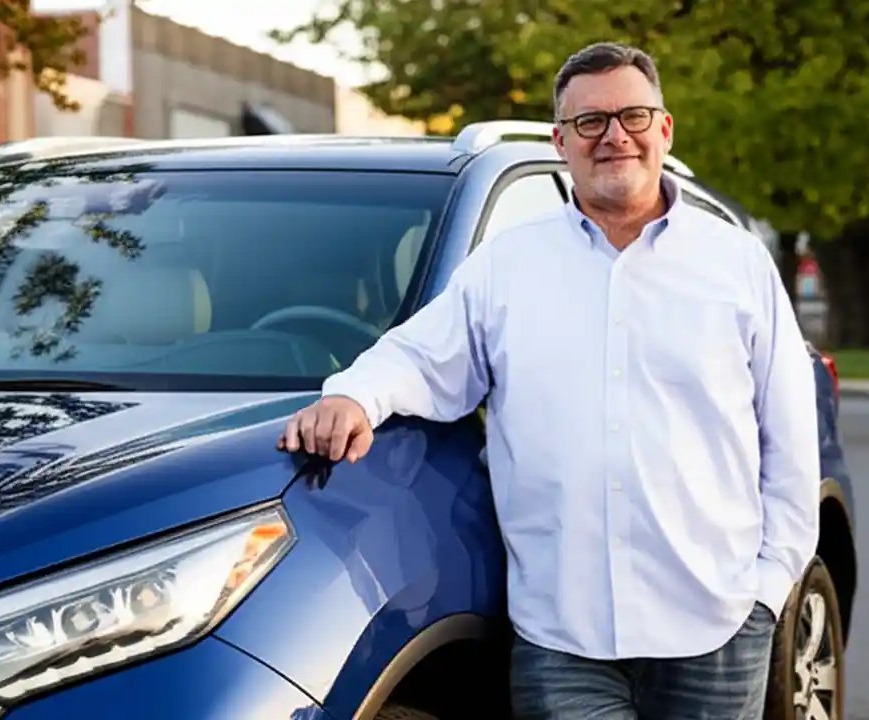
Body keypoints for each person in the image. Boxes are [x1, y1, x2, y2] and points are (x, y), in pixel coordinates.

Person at [278, 41, 820, 720]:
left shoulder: (736, 265)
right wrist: (353, 395)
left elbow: (791, 448)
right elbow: (419, 356)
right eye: (590, 123)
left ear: (664, 128)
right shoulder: (508, 267)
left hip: (716, 629)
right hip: (563, 640)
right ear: (562, 141)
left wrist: (766, 594)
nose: (613, 136)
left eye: (632, 115)